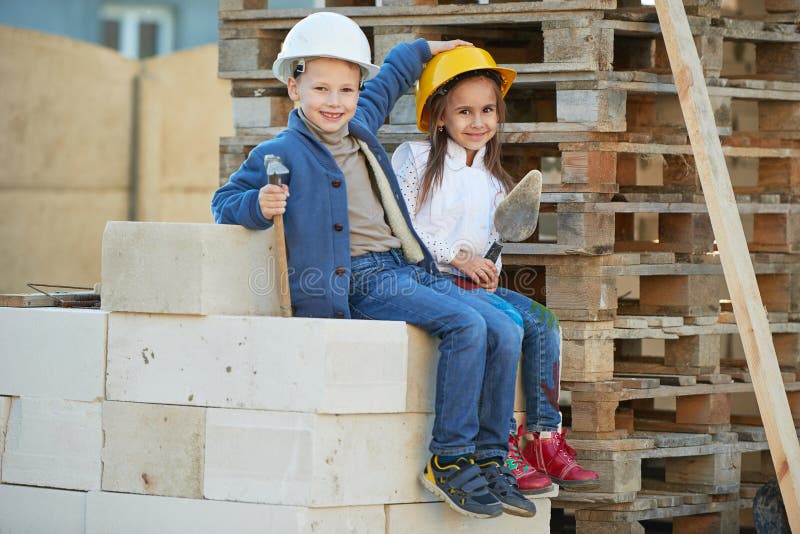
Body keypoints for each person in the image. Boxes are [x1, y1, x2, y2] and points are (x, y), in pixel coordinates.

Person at [211, 12, 536, 519]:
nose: (334, 102)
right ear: (294, 88)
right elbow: (223, 201)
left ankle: (491, 458)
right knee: (467, 323)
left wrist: (426, 47)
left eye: (346, 89)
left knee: (507, 325)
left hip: (406, 268)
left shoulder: (360, 127)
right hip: (356, 280)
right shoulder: (280, 152)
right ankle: (449, 460)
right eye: (321, 88)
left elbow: (390, 79)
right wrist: (258, 205)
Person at [392, 46, 600, 492]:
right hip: (427, 280)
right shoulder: (414, 159)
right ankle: (498, 442)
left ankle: (543, 436)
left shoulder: (495, 182)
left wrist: (487, 269)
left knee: (543, 321)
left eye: (487, 110)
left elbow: (492, 249)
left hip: (469, 285)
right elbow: (400, 225)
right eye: (464, 111)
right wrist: (456, 256)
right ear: (439, 116)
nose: (478, 122)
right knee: (505, 324)